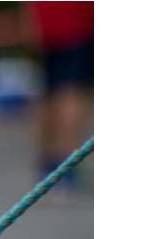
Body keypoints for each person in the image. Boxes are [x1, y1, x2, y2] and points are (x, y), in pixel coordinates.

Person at [30, 1, 93, 188]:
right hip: (78, 27)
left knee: (51, 94)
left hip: (48, 26)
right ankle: (65, 165)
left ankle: (47, 161)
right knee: (72, 95)